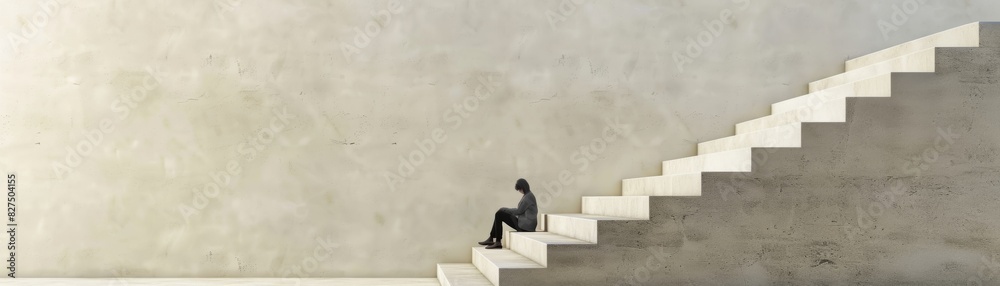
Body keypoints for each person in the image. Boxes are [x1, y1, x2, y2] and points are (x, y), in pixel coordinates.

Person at [478, 178, 537, 249]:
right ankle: (492, 239)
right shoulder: (528, 195)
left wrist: (505, 209)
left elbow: (518, 211)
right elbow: (520, 211)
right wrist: (505, 210)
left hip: (525, 227)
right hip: (524, 225)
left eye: (519, 189)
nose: (519, 191)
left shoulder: (528, 197)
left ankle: (497, 241)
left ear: (523, 187)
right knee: (499, 213)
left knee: (499, 214)